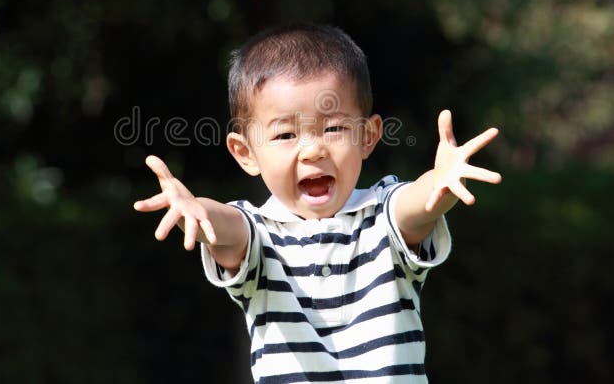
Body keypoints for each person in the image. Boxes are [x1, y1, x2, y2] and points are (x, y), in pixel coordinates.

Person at [134, 24, 502, 383]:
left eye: (334, 128)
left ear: (368, 136)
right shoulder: (260, 234)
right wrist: (197, 210)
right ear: (245, 153)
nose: (313, 150)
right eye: (285, 134)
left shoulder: (381, 216)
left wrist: (438, 185)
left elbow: (415, 207)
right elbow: (228, 231)